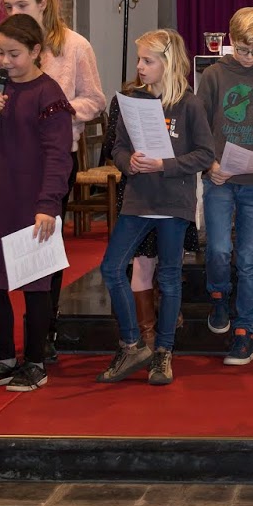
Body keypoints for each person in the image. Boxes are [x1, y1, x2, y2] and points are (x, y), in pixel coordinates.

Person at [0, 0, 105, 367]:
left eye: (22, 5)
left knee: (38, 258)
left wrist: (57, 114)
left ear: (43, 3)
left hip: (49, 162)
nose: (15, 11)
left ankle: (41, 340)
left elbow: (94, 99)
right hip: (3, 162)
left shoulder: (73, 46)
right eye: (8, 7)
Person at [0, 14, 75, 392]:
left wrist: (48, 204)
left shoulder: (49, 94)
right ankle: (5, 360)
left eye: (14, 54)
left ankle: (35, 362)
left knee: (34, 286)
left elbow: (59, 155)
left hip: (32, 204)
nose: (5, 62)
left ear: (37, 51)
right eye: (1, 53)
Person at [96, 29, 215, 387]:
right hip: (138, 200)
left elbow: (205, 155)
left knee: (168, 276)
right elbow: (116, 147)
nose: (140, 66)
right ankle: (133, 343)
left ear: (168, 63)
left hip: (173, 203)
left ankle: (163, 351)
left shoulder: (190, 105)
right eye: (139, 60)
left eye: (147, 60)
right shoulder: (134, 100)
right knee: (111, 267)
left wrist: (165, 165)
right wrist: (128, 161)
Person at [197, 6, 253, 366]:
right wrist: (210, 163)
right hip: (220, 178)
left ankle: (245, 331)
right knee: (218, 249)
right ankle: (218, 293)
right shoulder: (214, 75)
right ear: (232, 41)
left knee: (249, 258)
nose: (250, 58)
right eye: (244, 49)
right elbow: (198, 126)